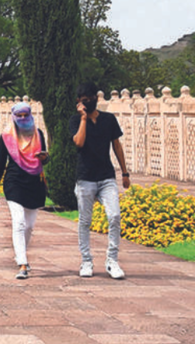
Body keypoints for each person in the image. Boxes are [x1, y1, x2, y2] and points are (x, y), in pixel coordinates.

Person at [70, 82, 130, 280]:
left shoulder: (108, 120)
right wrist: (84, 119)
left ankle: (112, 261)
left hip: (106, 177)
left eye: (90, 100)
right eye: (83, 101)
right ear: (78, 103)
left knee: (114, 216)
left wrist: (125, 172)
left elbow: (117, 146)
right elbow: (78, 142)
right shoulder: (75, 120)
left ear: (96, 98)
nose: (88, 103)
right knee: (85, 221)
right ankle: (86, 261)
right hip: (85, 177)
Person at [0, 103, 49, 280]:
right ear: (14, 116)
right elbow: (0, 162)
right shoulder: (7, 136)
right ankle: (22, 263)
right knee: (19, 222)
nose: (22, 119)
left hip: (34, 182)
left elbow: (45, 158)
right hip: (14, 182)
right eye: (19, 115)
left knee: (29, 226)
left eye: (25, 115)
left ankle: (20, 254)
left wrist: (45, 158)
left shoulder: (38, 134)